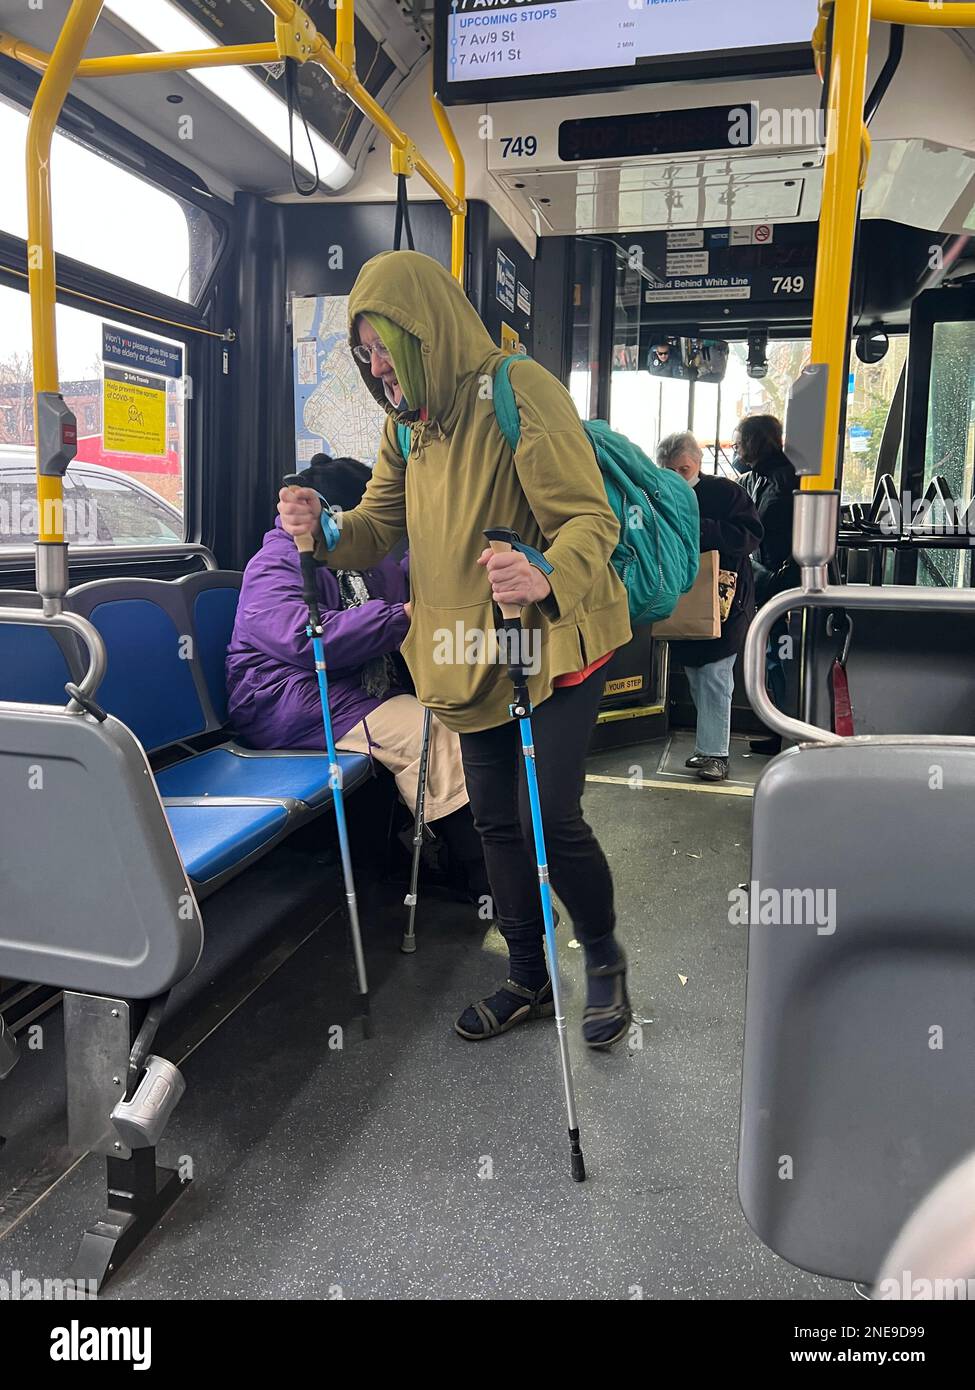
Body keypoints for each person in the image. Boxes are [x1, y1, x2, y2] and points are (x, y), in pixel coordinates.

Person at [277, 250, 633, 1049]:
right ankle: (528, 975)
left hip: (552, 642)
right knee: (495, 823)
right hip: (464, 651)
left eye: (385, 351)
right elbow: (373, 529)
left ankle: (604, 959)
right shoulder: (407, 429)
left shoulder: (517, 390)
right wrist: (322, 530)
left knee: (548, 813)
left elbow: (590, 522)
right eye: (362, 356)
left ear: (425, 335)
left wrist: (542, 571)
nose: (376, 369)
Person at [226, 452, 488, 903]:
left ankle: (441, 850)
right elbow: (308, 640)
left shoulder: (370, 561)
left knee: (463, 712)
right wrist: (401, 618)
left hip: (348, 690)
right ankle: (483, 876)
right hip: (284, 697)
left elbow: (403, 587)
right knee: (432, 731)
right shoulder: (277, 562)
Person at [657, 432, 763, 782]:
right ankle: (707, 747)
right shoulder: (659, 494)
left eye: (683, 469)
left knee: (716, 675)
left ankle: (716, 753)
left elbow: (749, 535)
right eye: (669, 470)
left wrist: (698, 529)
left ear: (696, 464)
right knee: (696, 674)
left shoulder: (724, 492)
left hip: (726, 598)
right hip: (684, 595)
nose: (676, 476)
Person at [734, 414, 799, 754]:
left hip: (783, 581)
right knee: (773, 655)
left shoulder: (784, 478)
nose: (737, 447)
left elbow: (766, 523)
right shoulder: (760, 476)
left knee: (781, 656)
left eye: (741, 440)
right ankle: (781, 730)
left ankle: (788, 731)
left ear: (756, 442)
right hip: (769, 577)